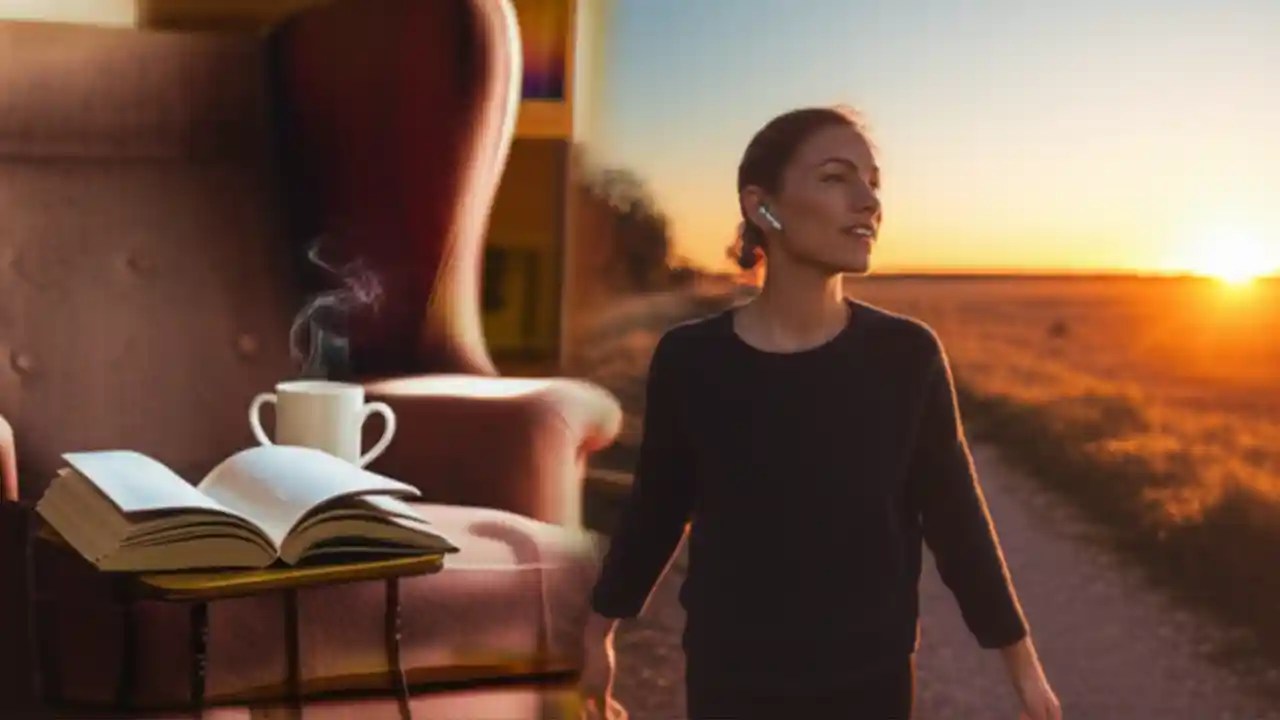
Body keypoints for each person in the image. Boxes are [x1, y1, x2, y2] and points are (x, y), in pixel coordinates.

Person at [577, 105, 1063, 720]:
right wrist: (600, 633)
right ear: (763, 208)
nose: (868, 201)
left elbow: (957, 519)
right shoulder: (691, 360)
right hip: (730, 688)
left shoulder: (907, 357)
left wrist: (1024, 668)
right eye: (836, 178)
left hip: (869, 690)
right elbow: (657, 509)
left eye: (873, 183)